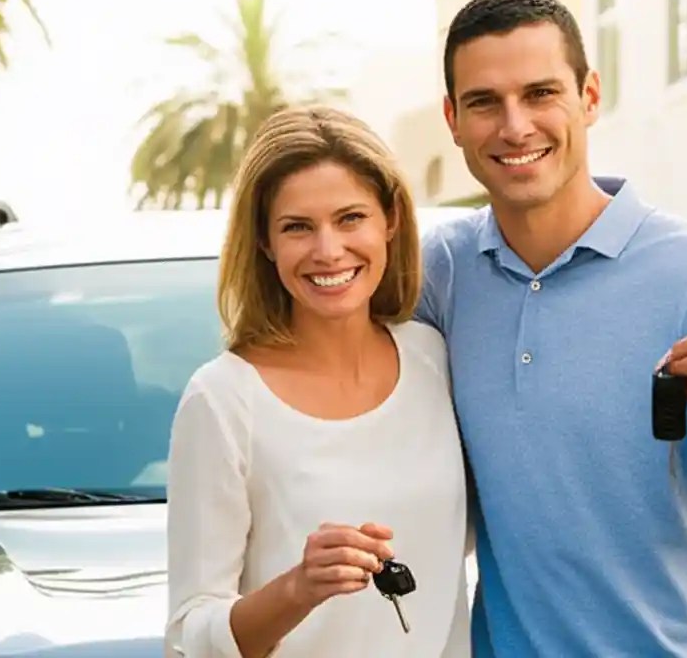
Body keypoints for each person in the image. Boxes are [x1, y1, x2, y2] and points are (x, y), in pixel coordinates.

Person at [415, 0, 687, 657]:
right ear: (452, 118)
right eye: (485, 101)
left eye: (541, 93)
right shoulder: (438, 276)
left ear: (590, 96)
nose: (515, 126)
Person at [165, 104, 472, 657]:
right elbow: (190, 635)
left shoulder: (435, 358)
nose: (328, 251)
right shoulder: (224, 400)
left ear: (390, 219)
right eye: (297, 227)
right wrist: (298, 588)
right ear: (264, 242)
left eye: (350, 218)